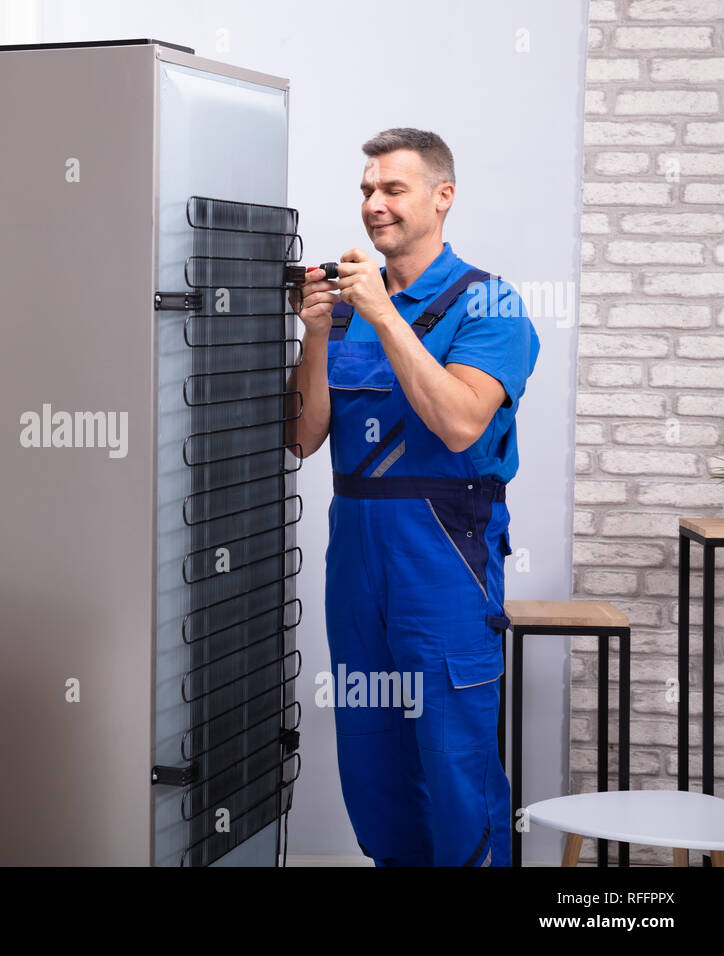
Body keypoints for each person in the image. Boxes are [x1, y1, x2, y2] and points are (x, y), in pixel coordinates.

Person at [288, 128, 540, 866]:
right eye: (367, 190)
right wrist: (313, 334)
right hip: (357, 555)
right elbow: (304, 439)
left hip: (444, 558)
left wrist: (386, 314)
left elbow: (461, 423)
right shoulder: (342, 308)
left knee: (451, 753)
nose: (374, 205)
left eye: (393, 189)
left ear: (442, 196)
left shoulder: (489, 306)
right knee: (375, 761)